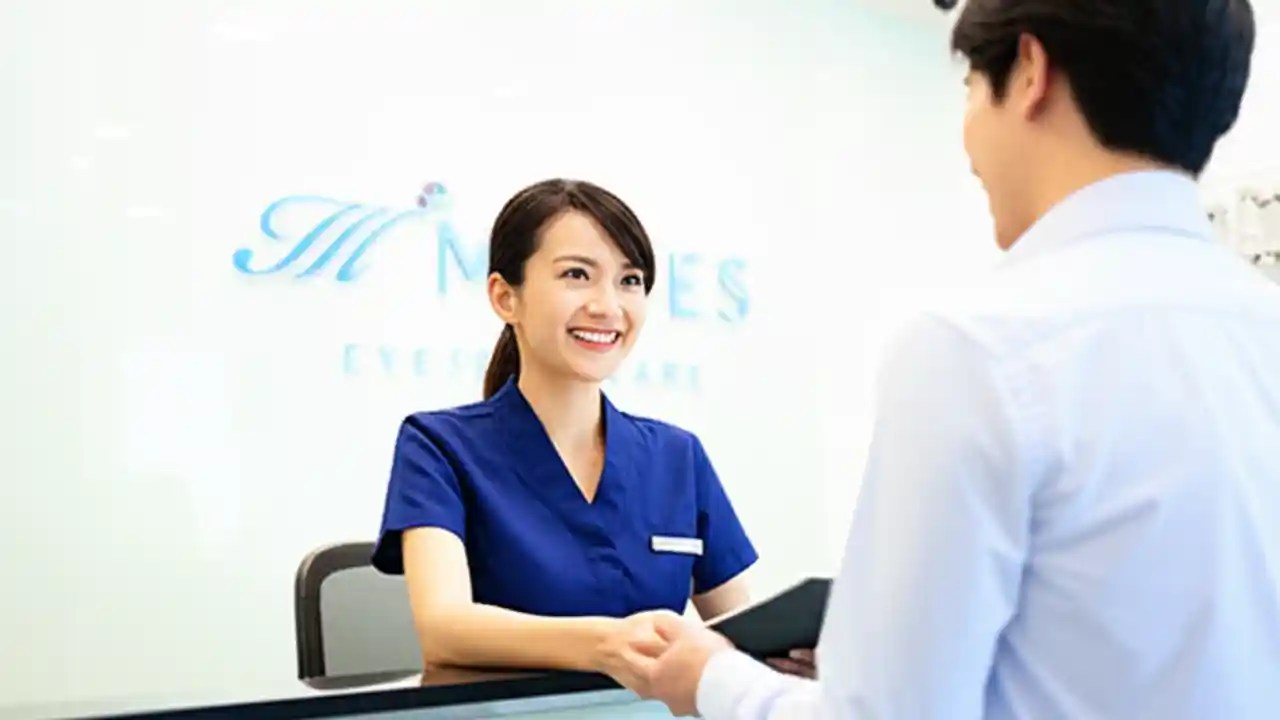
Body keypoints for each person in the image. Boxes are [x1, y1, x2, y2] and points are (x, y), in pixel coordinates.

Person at [639, 1, 1280, 717]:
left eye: (972, 87)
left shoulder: (979, 348)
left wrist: (711, 678)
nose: (969, 142)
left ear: (1030, 73)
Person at [370, 178, 759, 691]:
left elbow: (745, 628)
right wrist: (608, 644)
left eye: (630, 280)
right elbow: (445, 630)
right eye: (578, 275)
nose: (608, 306)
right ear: (505, 297)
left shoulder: (677, 457)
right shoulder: (439, 446)